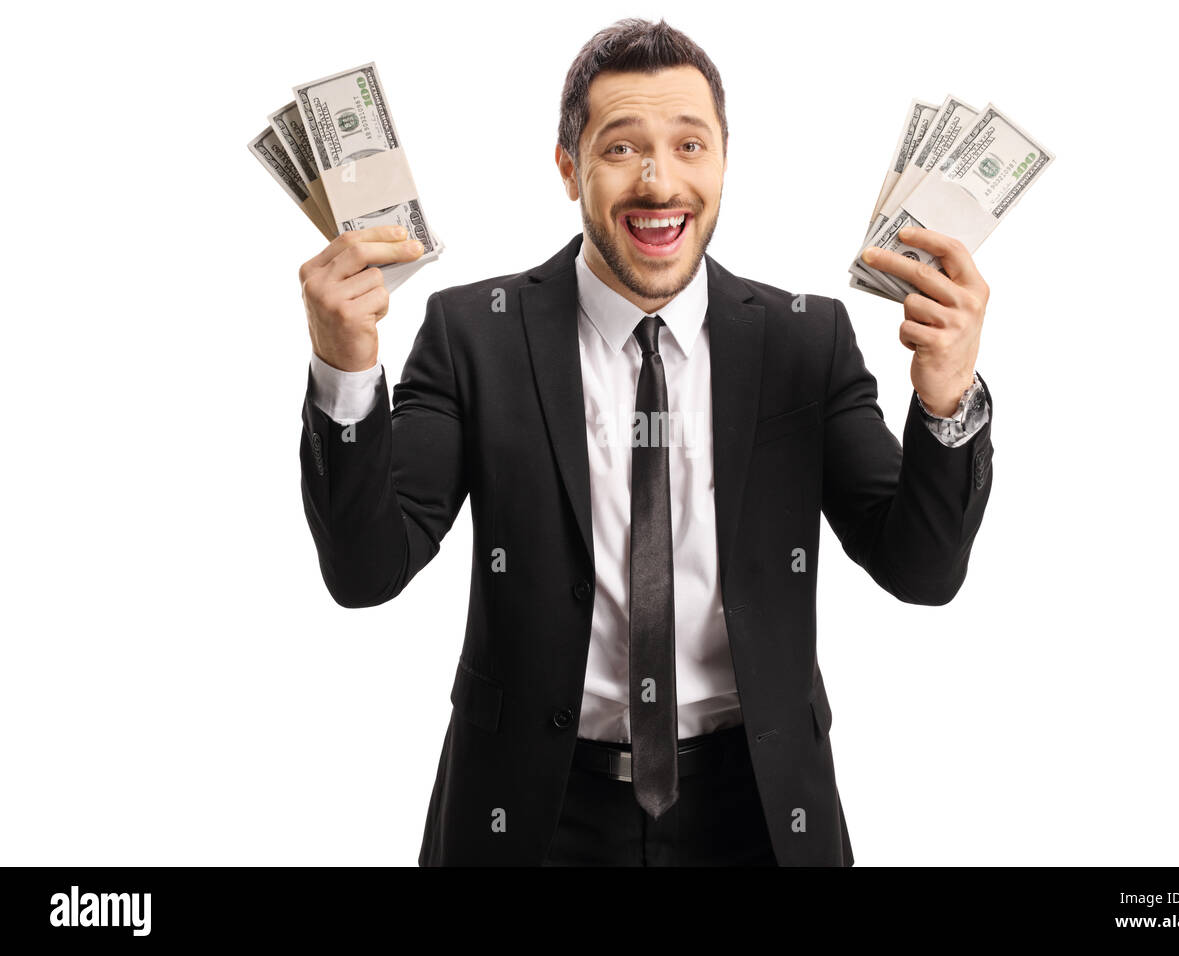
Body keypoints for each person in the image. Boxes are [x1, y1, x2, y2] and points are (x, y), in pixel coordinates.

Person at [296, 17, 994, 866]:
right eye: (622, 148)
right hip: (532, 811)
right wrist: (345, 372)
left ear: (724, 162)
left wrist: (948, 395)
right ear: (568, 168)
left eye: (691, 145)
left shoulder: (806, 343)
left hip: (759, 814)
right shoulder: (474, 335)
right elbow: (367, 571)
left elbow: (921, 571)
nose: (660, 182)